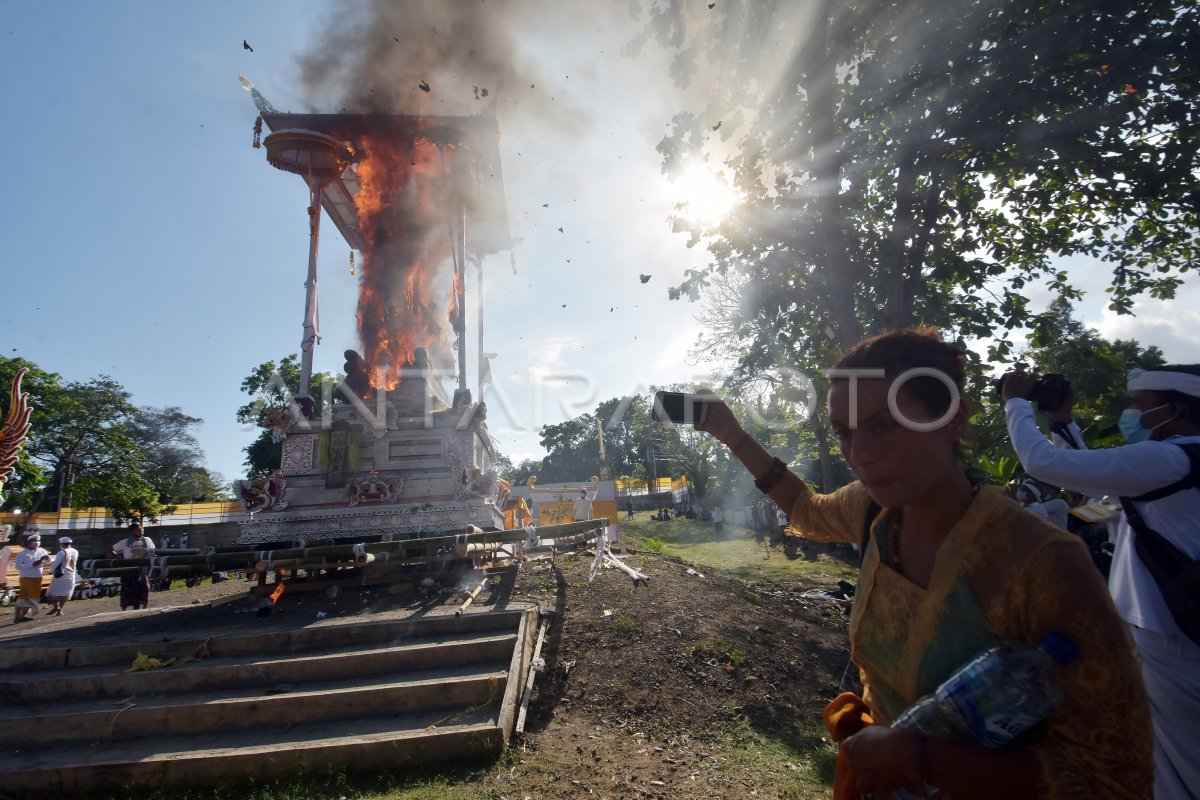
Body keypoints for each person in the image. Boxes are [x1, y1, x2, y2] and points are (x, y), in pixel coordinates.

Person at [694, 327, 1151, 798]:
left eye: (882, 426)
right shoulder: (874, 512)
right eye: (845, 433)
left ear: (953, 419)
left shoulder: (1041, 564)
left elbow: (1113, 778)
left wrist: (922, 760)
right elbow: (807, 512)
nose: (859, 455)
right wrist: (731, 434)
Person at [1004, 365, 1200, 800]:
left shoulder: (1170, 458)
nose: (1133, 415)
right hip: (1174, 628)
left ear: (1175, 410)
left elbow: (1045, 465)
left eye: (1141, 407)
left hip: (1173, 638)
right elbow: (1097, 491)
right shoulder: (1179, 462)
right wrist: (1062, 421)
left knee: (1180, 763)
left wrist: (1015, 401)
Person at [112, 523, 156, 611]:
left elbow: (153, 551)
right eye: (138, 529)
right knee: (127, 591)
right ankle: (123, 610)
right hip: (128, 569)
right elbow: (111, 550)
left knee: (144, 588)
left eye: (142, 529)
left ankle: (143, 609)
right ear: (132, 531)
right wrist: (118, 556)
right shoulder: (124, 542)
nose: (141, 530)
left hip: (142, 568)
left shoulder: (147, 540)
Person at [13, 532, 50, 622]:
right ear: (29, 543)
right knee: (23, 597)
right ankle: (17, 616)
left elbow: (47, 562)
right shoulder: (23, 553)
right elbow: (17, 566)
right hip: (26, 578)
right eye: (34, 541)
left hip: (37, 578)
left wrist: (47, 558)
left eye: (38, 541)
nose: (37, 543)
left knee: (33, 598)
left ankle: (23, 616)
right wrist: (31, 564)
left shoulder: (42, 551)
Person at [45, 536, 78, 616]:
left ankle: (57, 607)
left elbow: (56, 563)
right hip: (71, 574)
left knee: (50, 593)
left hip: (61, 574)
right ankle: (60, 609)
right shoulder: (75, 551)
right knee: (65, 593)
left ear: (62, 544)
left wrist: (49, 570)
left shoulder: (62, 552)